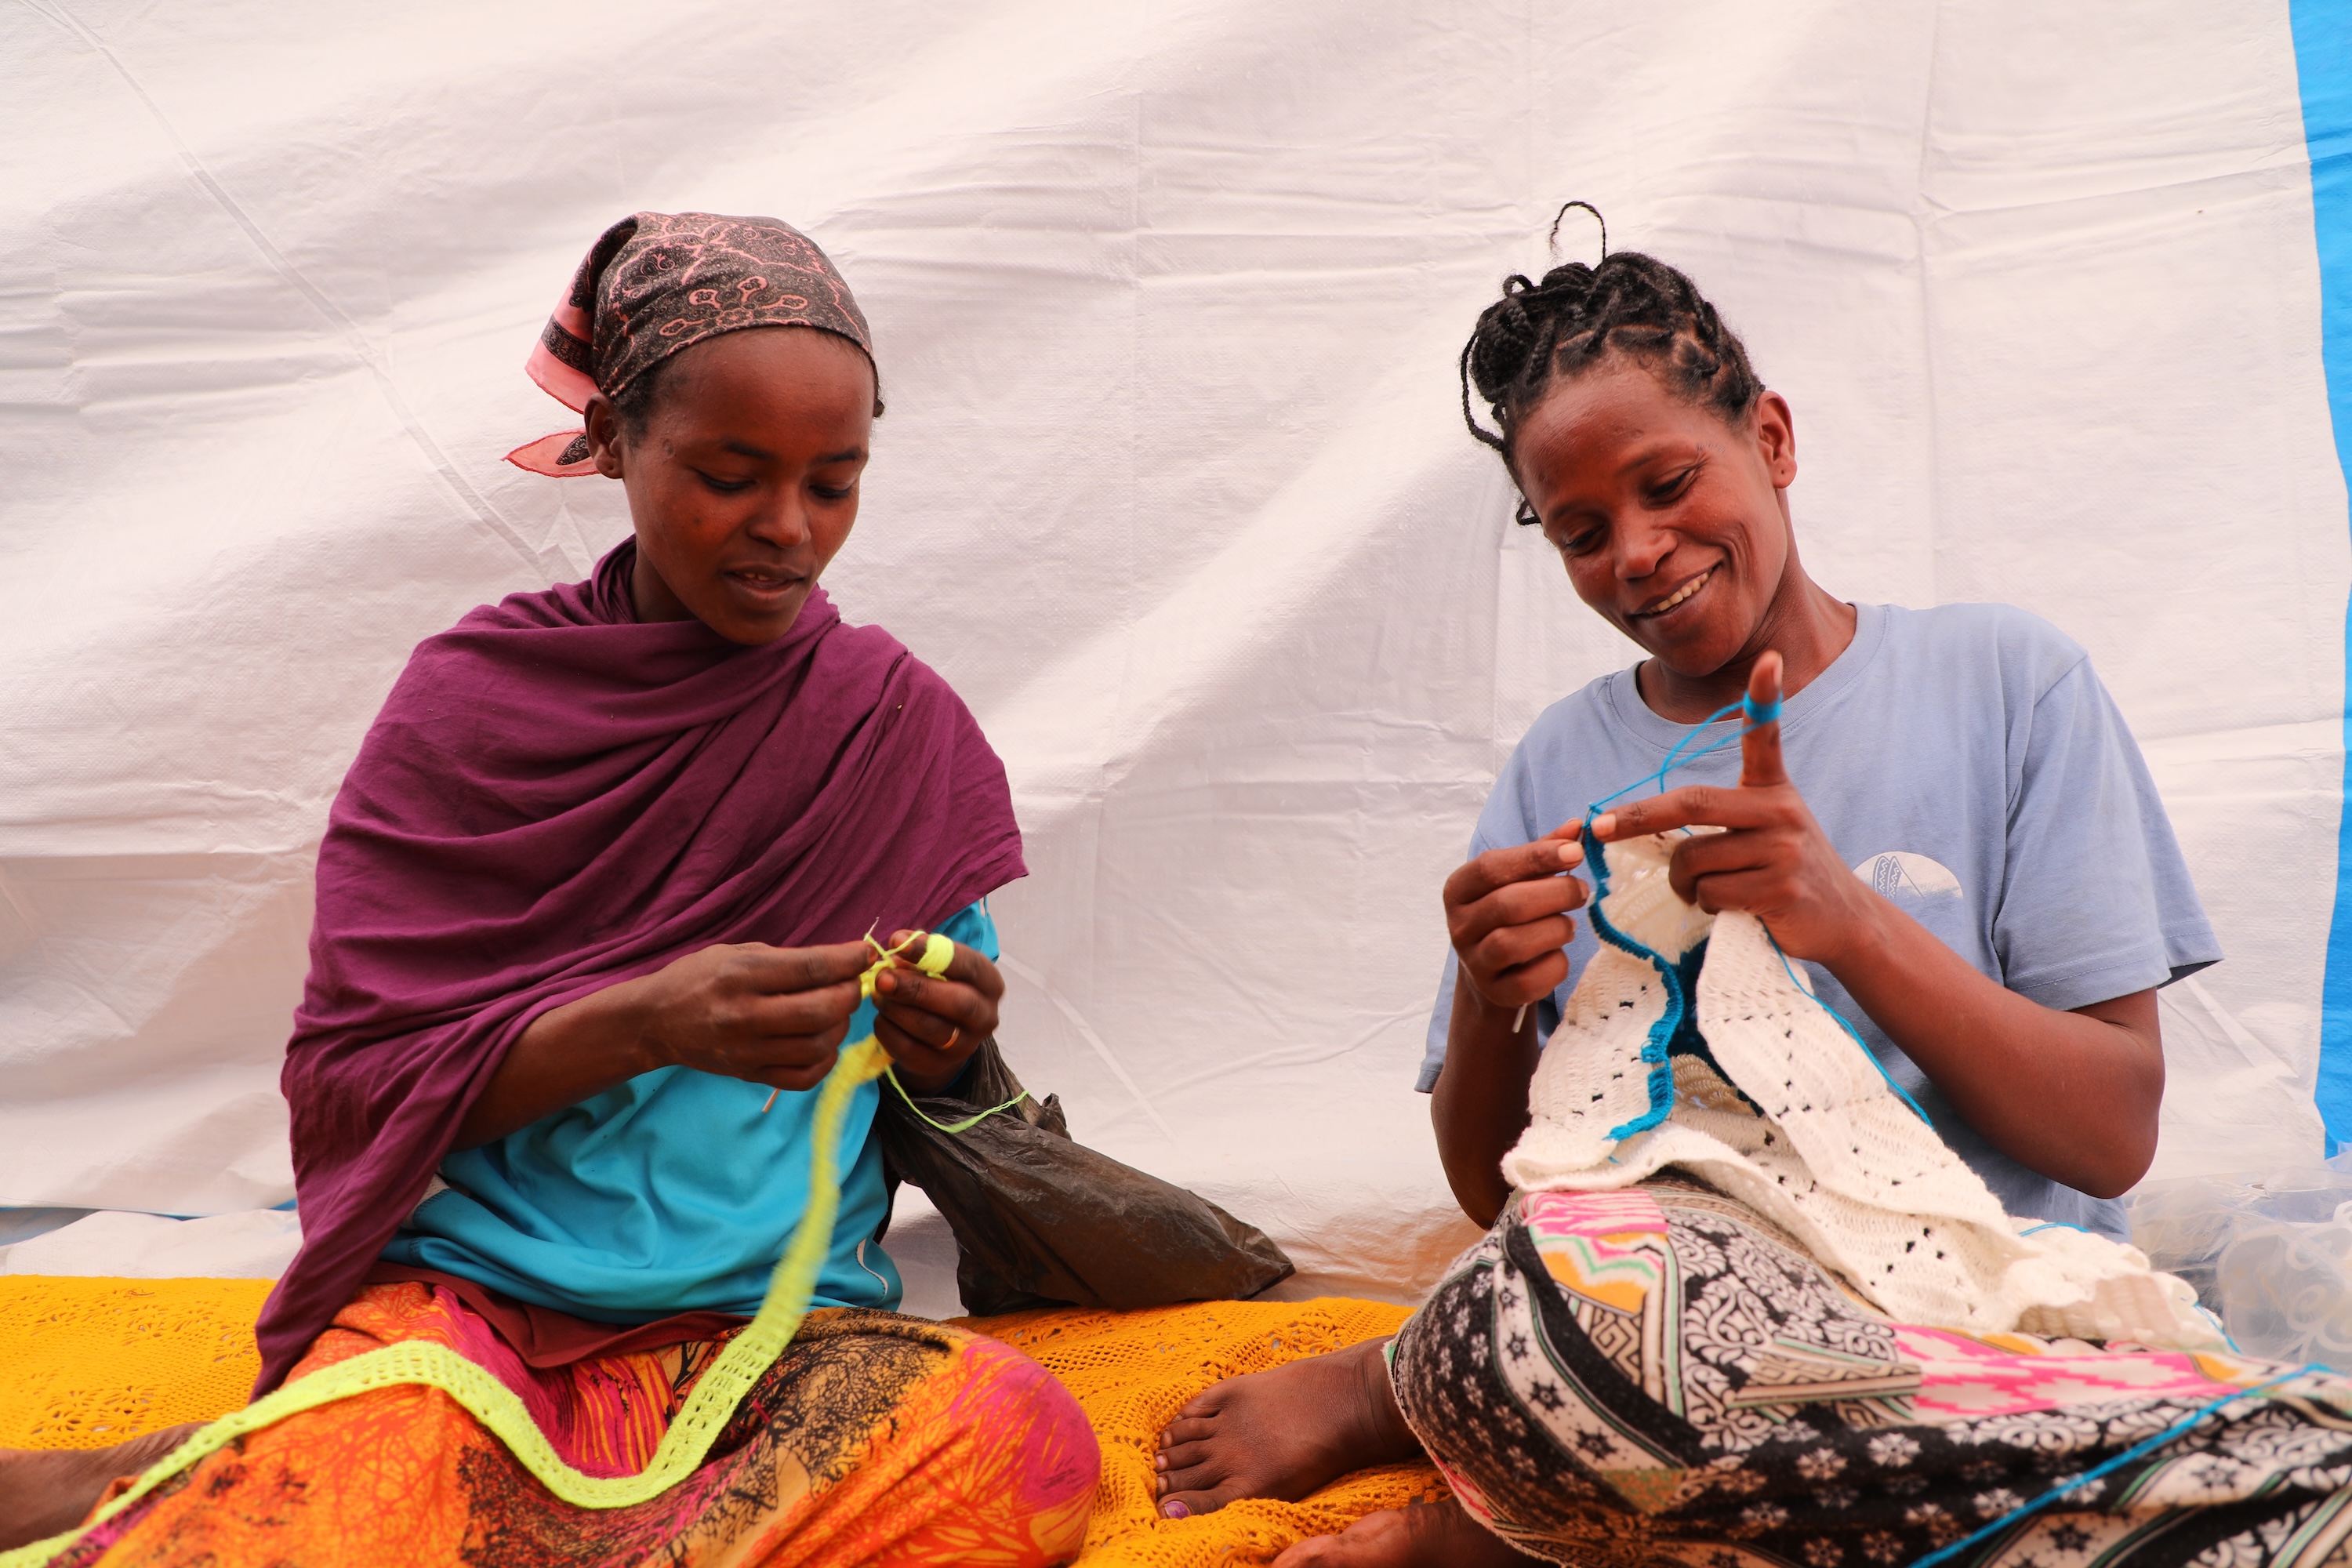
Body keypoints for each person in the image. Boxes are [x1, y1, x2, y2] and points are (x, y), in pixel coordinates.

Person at [1149, 241, 2352, 1566]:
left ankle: (1520, 1520)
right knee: (1557, 1300)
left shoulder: (2009, 683)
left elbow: (2111, 1136)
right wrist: (1495, 1004)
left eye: (1669, 485)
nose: (1640, 554)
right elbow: (1505, 1192)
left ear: (1771, 438)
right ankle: (1479, 1424)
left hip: (1975, 1334)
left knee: (2293, 1506)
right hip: (1683, 1318)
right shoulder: (1562, 767)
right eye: (1582, 533)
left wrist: (1851, 921)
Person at [0, 212, 1098, 1564]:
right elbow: (357, 1081)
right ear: (615, 441)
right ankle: (301, 1472)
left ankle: (276, 1483)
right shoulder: (473, 710)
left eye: (835, 482)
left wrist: (947, 1043)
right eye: (730, 473)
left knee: (1016, 1440)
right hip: (478, 1313)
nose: (787, 527)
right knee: (339, 1496)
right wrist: (649, 1024)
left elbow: (941, 1084)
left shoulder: (890, 726)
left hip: (778, 1336)